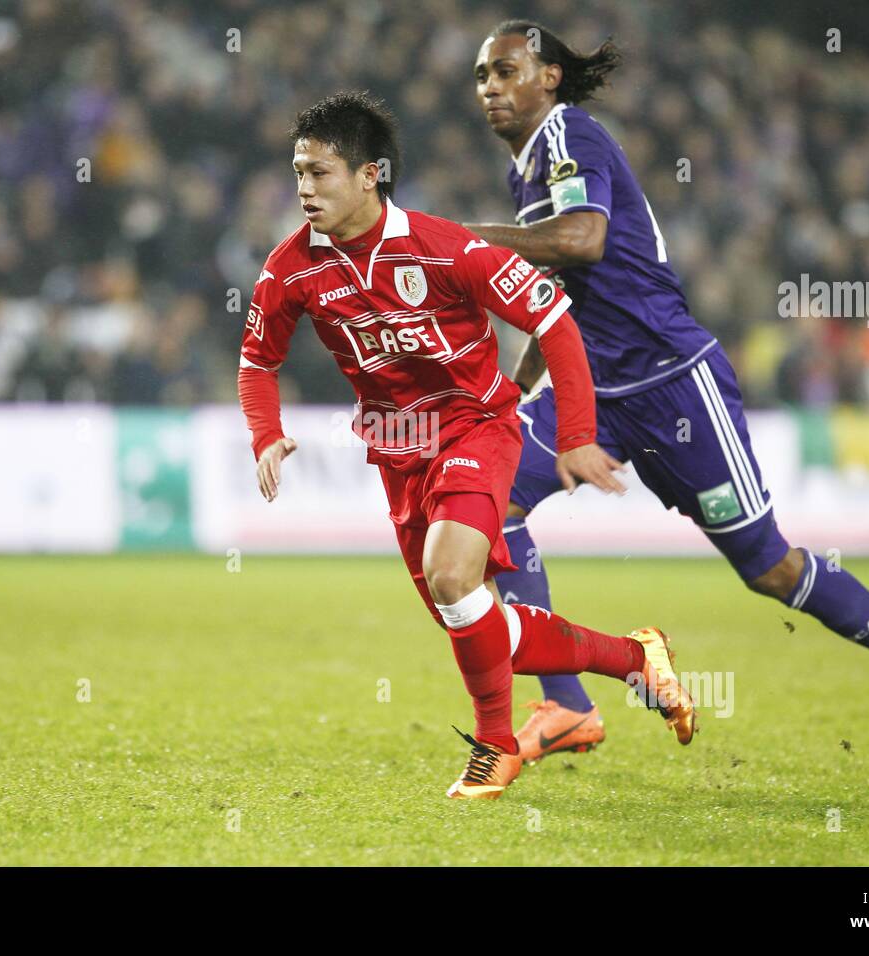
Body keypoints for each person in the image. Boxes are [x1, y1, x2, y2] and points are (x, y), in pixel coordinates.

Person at [464, 20, 869, 767]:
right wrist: (511, 396)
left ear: (547, 77)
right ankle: (567, 706)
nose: (489, 87)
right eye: (480, 76)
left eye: (504, 70)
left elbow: (584, 241)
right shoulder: (527, 174)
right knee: (490, 506)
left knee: (768, 567)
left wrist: (463, 241)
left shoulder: (570, 134)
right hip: (597, 391)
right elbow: (558, 297)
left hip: (674, 382)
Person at [237, 92, 696, 800]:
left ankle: (496, 746)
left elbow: (556, 322)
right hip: (397, 452)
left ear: (369, 175)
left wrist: (574, 435)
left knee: (453, 579)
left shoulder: (446, 247)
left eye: (320, 173)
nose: (304, 189)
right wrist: (265, 435)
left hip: (475, 427)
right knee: (481, 623)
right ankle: (637, 658)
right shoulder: (291, 267)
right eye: (298, 172)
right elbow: (258, 360)